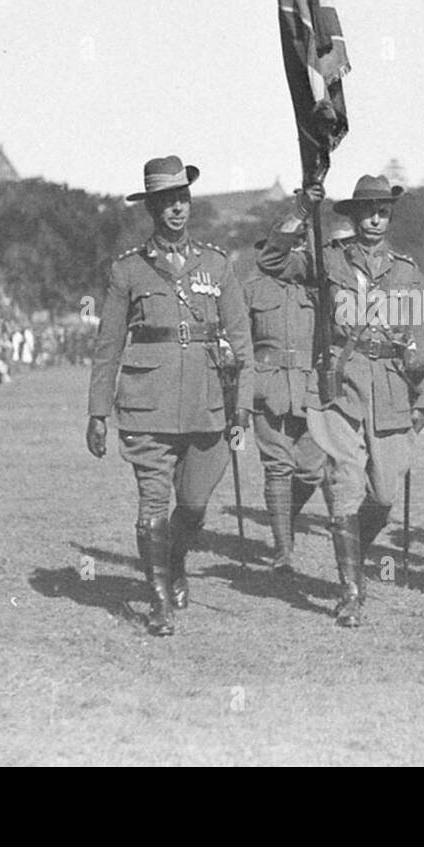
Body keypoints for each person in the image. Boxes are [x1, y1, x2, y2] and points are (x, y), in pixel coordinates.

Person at [86, 155, 253, 636]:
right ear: (151, 208)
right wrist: (98, 412)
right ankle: (158, 600)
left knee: (195, 504)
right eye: (166, 201)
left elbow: (241, 341)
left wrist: (242, 405)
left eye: (182, 199)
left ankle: (175, 560)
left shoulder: (218, 266)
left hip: (207, 404)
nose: (176, 209)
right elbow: (108, 345)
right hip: (147, 404)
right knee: (152, 503)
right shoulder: (129, 272)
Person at [258, 175, 424, 628]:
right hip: (341, 385)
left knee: (383, 493)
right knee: (345, 486)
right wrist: (299, 212)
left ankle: (356, 557)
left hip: (391, 388)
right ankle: (350, 591)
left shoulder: (405, 270)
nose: (376, 218)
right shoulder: (328, 259)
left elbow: (418, 337)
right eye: (368, 211)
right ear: (353, 217)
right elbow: (272, 260)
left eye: (383, 211)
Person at [243, 239, 327, 572]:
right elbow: (240, 341)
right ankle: (283, 551)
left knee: (310, 470)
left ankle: (284, 516)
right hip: (269, 385)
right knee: (278, 466)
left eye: (301, 249)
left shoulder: (318, 293)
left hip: (309, 387)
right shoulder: (252, 290)